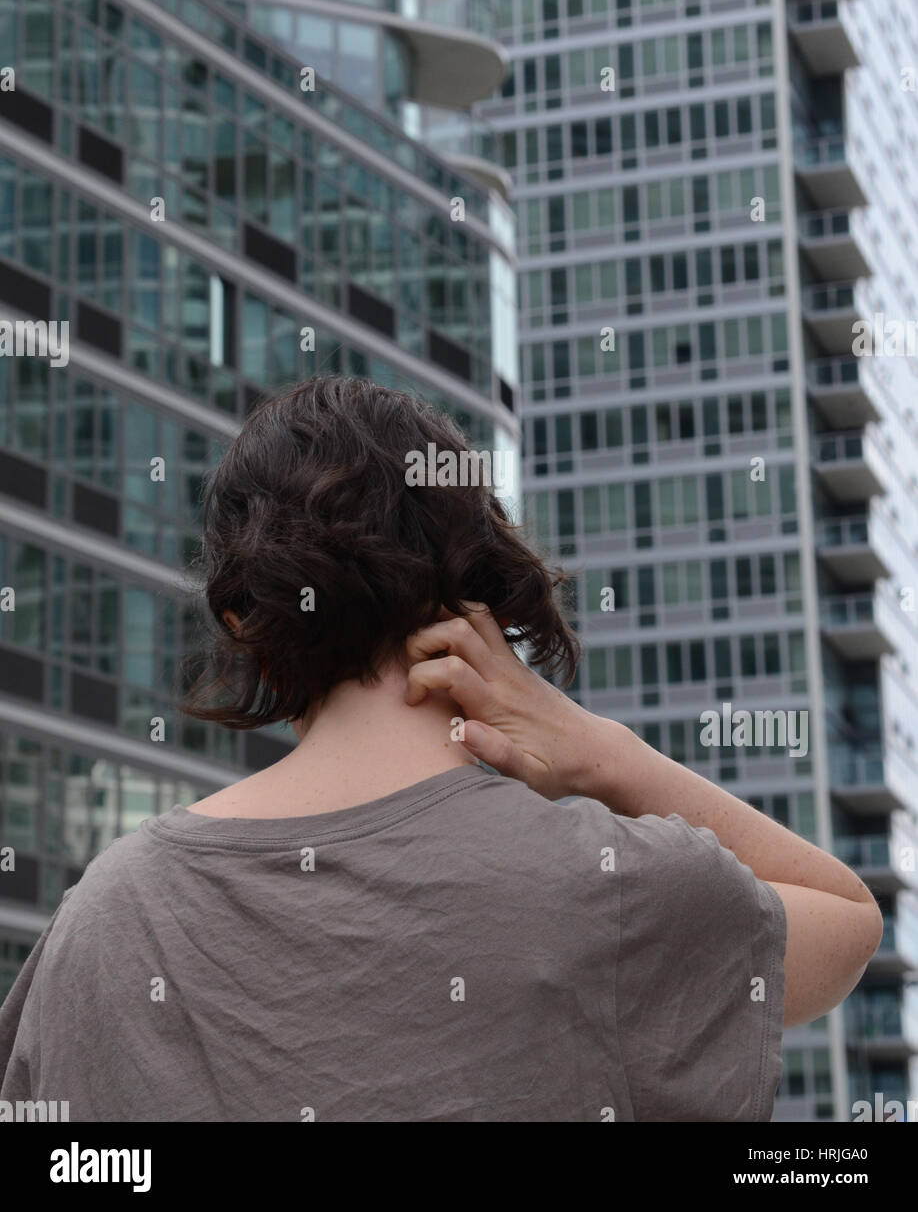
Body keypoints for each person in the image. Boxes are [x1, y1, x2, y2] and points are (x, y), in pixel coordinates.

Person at [0, 377, 881, 1122]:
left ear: (246, 622)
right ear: (482, 595)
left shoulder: (105, 920)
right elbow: (846, 922)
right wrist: (603, 751)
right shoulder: (611, 884)